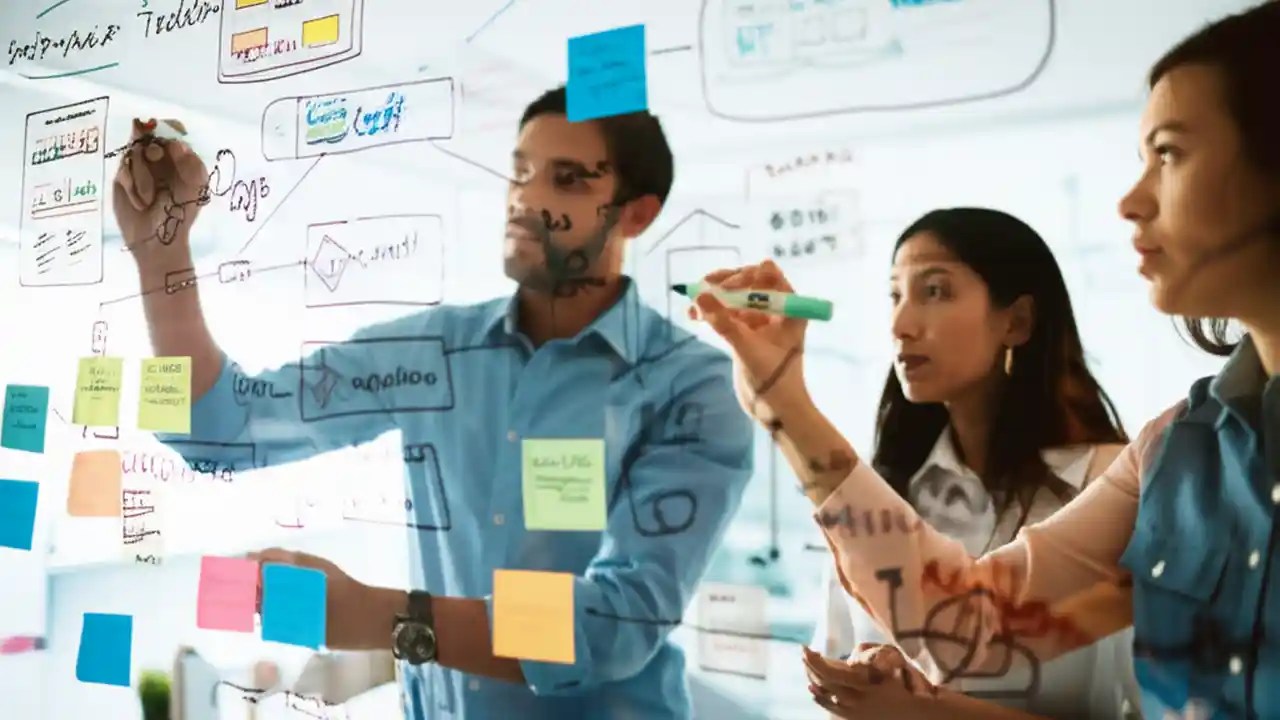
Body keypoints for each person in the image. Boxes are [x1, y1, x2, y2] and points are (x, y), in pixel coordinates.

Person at [692, 1, 1280, 718]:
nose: (1130, 201)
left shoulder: (1121, 462)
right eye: (895, 295)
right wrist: (785, 406)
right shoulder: (1175, 451)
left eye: (1169, 153)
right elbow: (965, 628)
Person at [112, 86, 754, 719]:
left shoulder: (688, 386)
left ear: (635, 215)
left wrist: (389, 616)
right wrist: (161, 254)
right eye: (521, 172)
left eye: (568, 181)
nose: (526, 198)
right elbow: (214, 430)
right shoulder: (432, 352)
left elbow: (616, 621)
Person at [804, 207, 1137, 719]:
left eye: (934, 292)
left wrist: (925, 708)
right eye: (895, 295)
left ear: (1018, 321)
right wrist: (863, 677)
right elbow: (835, 669)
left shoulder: (1109, 485)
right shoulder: (886, 493)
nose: (900, 325)